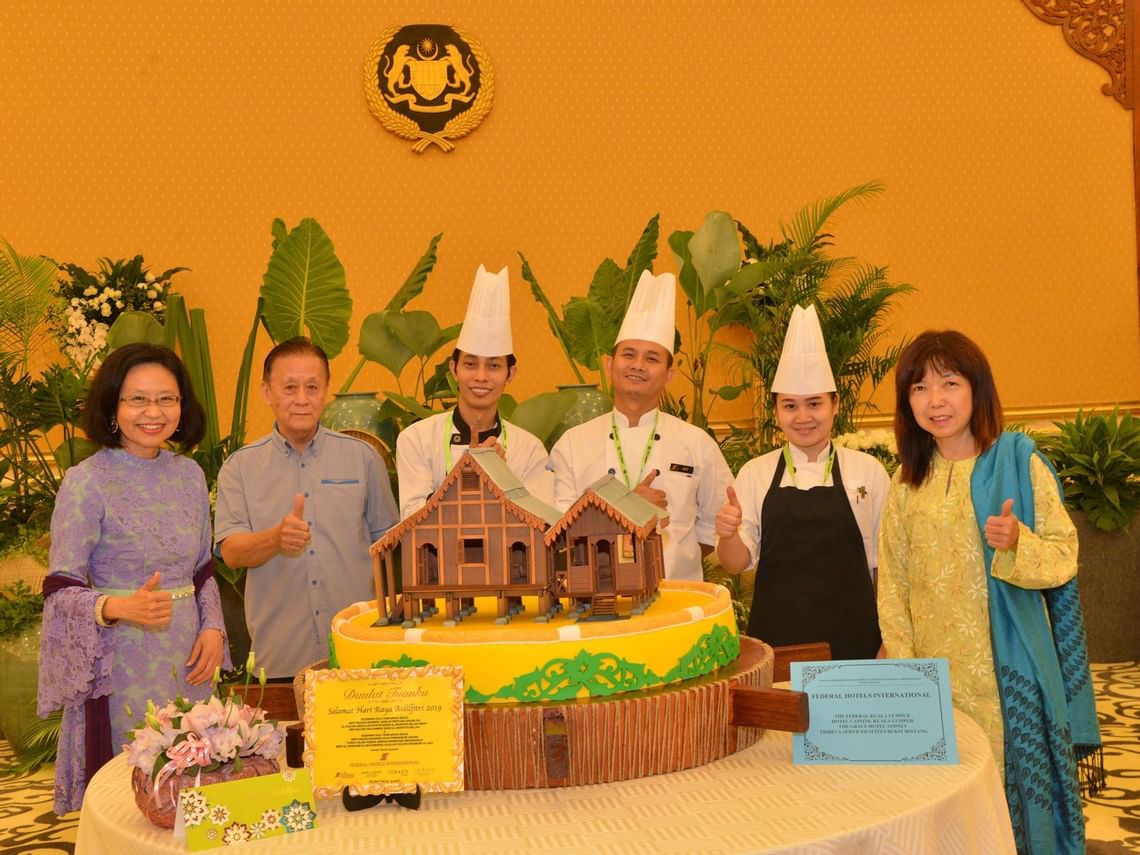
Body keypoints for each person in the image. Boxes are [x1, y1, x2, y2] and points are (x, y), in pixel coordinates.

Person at [877, 329, 1101, 854]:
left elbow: (1064, 555)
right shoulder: (906, 480)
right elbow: (894, 581)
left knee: (1010, 800)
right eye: (920, 388)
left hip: (1008, 673)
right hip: (934, 676)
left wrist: (1017, 541)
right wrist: (909, 671)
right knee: (945, 805)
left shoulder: (1018, 463)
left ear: (978, 390)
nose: (935, 401)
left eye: (950, 384)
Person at [38, 343, 225, 814]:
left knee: (196, 788)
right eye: (137, 399)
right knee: (132, 800)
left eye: (167, 398)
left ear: (183, 407)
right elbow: (60, 588)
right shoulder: (87, 481)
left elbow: (203, 569)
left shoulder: (189, 475)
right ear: (112, 407)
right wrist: (118, 607)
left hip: (190, 659)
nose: (153, 412)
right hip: (120, 662)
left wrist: (213, 628)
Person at [214, 337, 399, 679]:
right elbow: (231, 552)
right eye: (289, 387)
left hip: (357, 653)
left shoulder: (363, 459)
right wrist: (275, 539)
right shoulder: (240, 468)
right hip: (280, 658)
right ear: (267, 392)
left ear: (326, 390)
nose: (302, 399)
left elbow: (388, 549)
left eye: (312, 387)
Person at [715, 305, 888, 658]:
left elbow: (883, 566)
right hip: (777, 640)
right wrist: (728, 533)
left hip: (856, 638)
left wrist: (887, 638)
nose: (803, 417)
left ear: (835, 404)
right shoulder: (756, 472)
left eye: (814, 404)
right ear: (776, 410)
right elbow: (735, 563)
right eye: (790, 406)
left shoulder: (867, 471)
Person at [550, 270, 733, 581]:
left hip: (677, 599)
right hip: (596, 596)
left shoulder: (696, 443)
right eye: (629, 355)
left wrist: (671, 561)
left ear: (669, 375)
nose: (637, 365)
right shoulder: (572, 444)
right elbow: (558, 532)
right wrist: (627, 509)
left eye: (652, 358)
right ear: (610, 365)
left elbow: (713, 530)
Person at [395, 264, 550, 517]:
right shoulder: (417, 440)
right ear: (454, 369)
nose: (480, 376)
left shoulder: (529, 450)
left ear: (510, 374)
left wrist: (501, 481)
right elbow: (412, 520)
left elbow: (541, 524)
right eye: (470, 364)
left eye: (493, 366)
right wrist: (466, 480)